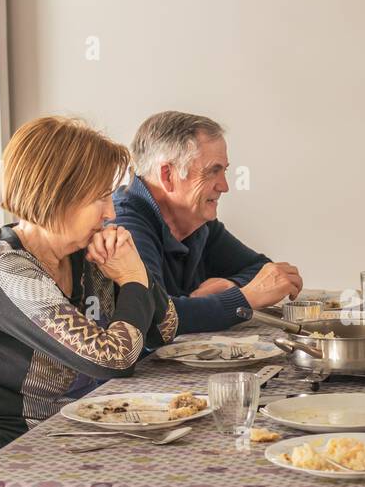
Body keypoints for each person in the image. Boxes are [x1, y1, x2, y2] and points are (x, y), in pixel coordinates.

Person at [0, 117, 179, 452]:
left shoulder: (83, 254)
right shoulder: (9, 270)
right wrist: (132, 280)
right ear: (56, 197)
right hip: (13, 448)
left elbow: (164, 329)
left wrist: (133, 266)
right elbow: (114, 359)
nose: (111, 212)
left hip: (80, 427)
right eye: (100, 197)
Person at [112, 111, 303, 333]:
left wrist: (231, 286)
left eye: (224, 171)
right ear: (167, 175)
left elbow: (262, 270)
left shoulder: (196, 220)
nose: (224, 186)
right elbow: (156, 318)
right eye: (213, 171)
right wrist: (245, 297)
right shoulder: (123, 227)